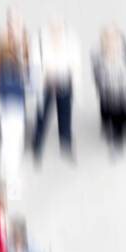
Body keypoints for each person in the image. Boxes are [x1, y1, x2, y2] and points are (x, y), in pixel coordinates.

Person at [31, 16, 82, 163]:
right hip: (45, 83)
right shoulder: (39, 39)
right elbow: (35, 63)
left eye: (59, 26)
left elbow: (76, 62)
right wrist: (38, 83)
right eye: (53, 26)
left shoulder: (71, 39)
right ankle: (37, 145)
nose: (56, 30)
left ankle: (66, 143)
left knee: (65, 115)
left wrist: (75, 84)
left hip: (64, 81)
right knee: (42, 115)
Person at [92, 25, 126, 164]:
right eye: (108, 40)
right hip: (112, 97)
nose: (111, 42)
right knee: (116, 122)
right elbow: (98, 77)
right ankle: (117, 144)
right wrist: (102, 92)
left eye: (114, 38)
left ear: (120, 39)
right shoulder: (99, 56)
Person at [0, 10, 31, 183]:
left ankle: (11, 170)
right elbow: (4, 82)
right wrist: (25, 81)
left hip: (17, 102)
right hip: (9, 102)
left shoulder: (23, 45)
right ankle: (9, 174)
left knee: (16, 136)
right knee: (10, 138)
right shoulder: (5, 56)